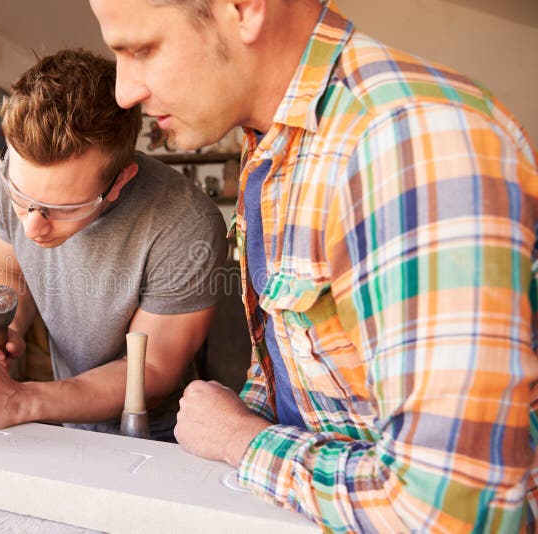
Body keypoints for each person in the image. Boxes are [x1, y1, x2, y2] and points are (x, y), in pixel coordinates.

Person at [90, 0, 538, 530]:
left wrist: (242, 440)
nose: (124, 92)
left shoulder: (405, 139)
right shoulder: (274, 147)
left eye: (142, 49)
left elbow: (445, 513)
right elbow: (301, 371)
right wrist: (241, 414)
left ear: (243, 9)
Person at [0, 49, 226, 442]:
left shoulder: (185, 224)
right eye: (21, 198)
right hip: (67, 419)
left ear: (119, 182)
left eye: (62, 208)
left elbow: (152, 371)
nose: (34, 226)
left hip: (157, 437)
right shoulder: (9, 181)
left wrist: (20, 401)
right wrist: (9, 326)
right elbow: (9, 267)